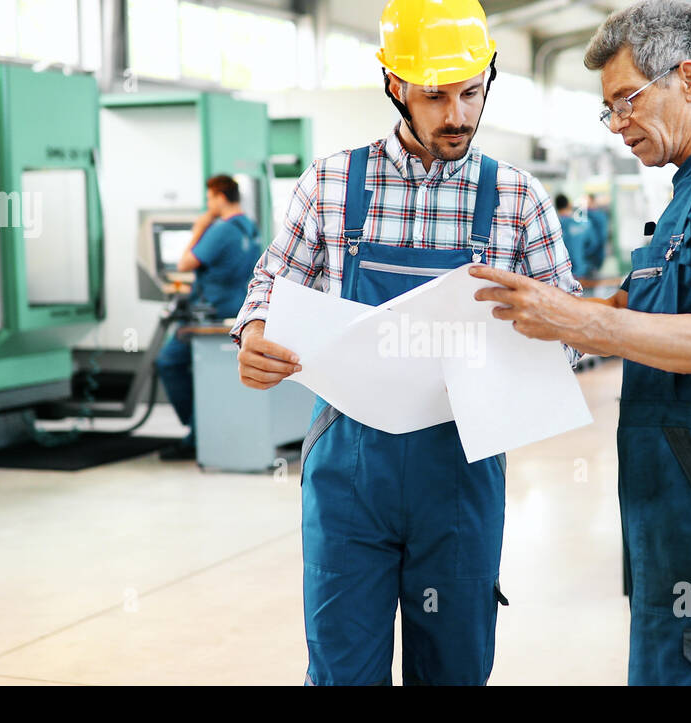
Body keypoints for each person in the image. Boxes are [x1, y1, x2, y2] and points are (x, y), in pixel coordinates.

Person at [231, 0, 581, 685]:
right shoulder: (330, 184)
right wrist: (254, 335)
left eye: (471, 92)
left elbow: (569, 338)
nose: (457, 115)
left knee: (453, 667)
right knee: (342, 667)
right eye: (435, 95)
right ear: (394, 84)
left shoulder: (517, 198)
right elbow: (268, 287)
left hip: (459, 471)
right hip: (348, 473)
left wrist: (536, 336)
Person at [469, 0, 691, 686]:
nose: (618, 124)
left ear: (688, 78)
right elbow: (632, 309)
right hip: (677, 492)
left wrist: (575, 321)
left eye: (626, 101)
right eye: (608, 110)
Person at [155, 174, 261, 461]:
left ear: (219, 196)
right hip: (239, 310)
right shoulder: (250, 227)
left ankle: (196, 432)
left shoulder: (220, 229)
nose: (207, 203)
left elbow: (185, 263)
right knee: (215, 377)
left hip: (210, 313)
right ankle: (206, 430)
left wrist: (198, 228)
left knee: (168, 362)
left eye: (208, 198)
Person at [554, 193, 593, 279]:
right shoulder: (583, 225)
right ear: (569, 205)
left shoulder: (554, 227)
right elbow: (593, 244)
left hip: (563, 276)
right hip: (583, 272)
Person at [584, 194, 610, 275]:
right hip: (595, 255)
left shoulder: (591, 215)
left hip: (593, 255)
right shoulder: (599, 215)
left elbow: (601, 237)